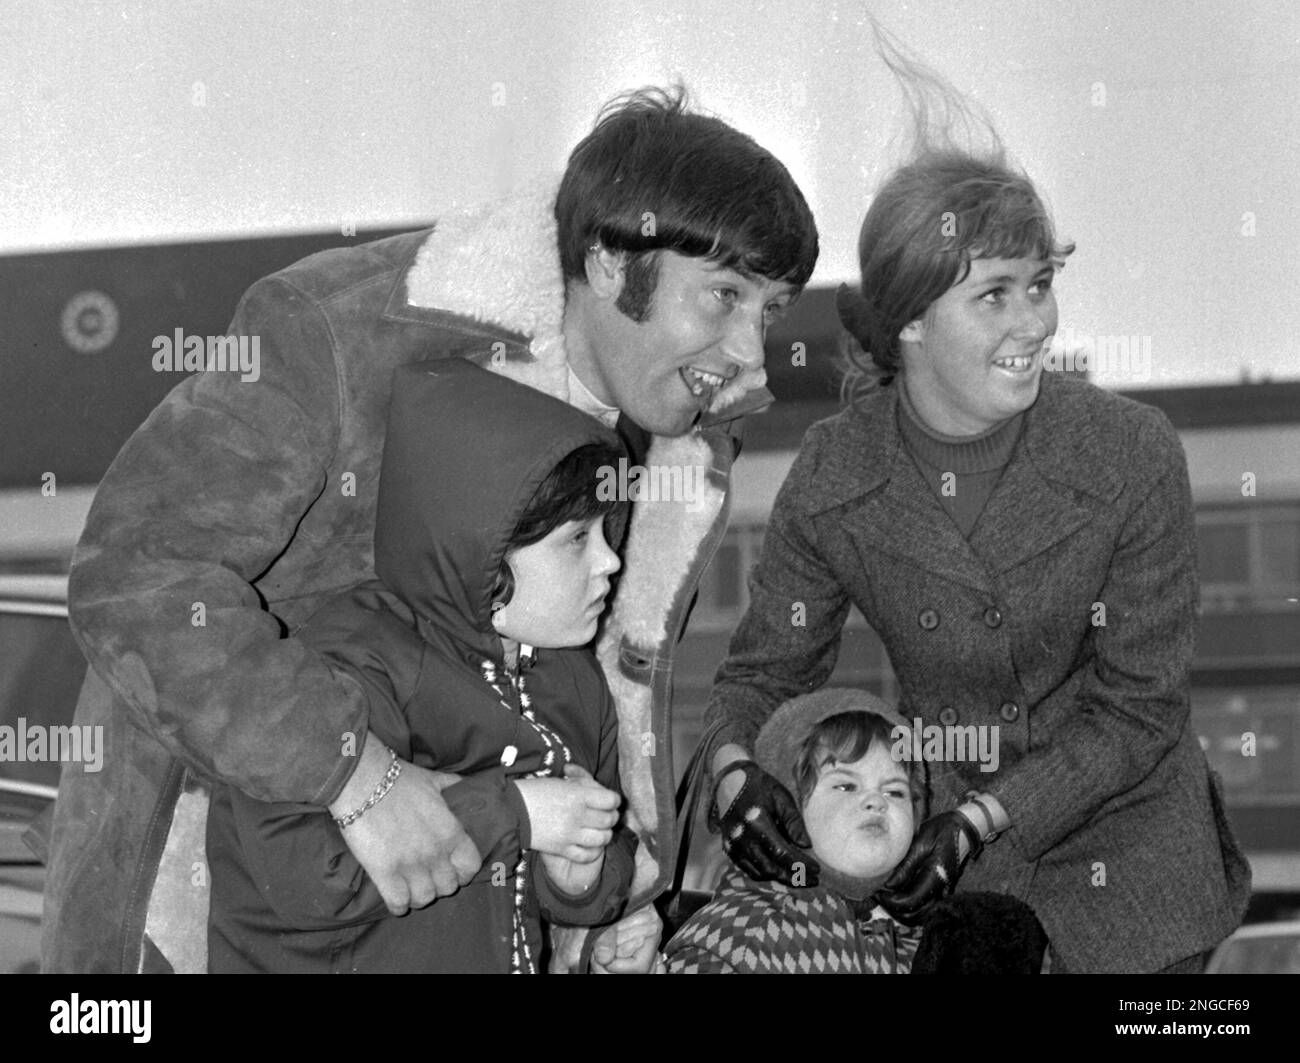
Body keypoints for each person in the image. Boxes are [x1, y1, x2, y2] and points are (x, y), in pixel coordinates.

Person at [42, 86, 819, 973]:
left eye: (771, 312)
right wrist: (353, 771)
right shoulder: (341, 329)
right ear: (610, 262)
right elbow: (137, 573)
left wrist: (600, 898)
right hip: (217, 909)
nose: (753, 356)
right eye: (723, 296)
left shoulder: (681, 418)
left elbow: (593, 695)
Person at [702, 114, 1251, 972]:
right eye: (995, 293)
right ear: (911, 322)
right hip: (957, 884)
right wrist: (735, 772)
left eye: (1041, 283)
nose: (1035, 322)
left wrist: (982, 817)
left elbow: (1139, 708)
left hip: (1137, 872)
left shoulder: (1133, 451)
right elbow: (763, 677)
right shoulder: (835, 470)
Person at [207, 361, 637, 973]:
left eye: (607, 531)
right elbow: (308, 877)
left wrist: (580, 878)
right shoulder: (350, 662)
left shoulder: (572, 679)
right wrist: (514, 815)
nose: (610, 561)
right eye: (577, 539)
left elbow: (587, 846)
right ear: (485, 551)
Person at [665, 688, 925, 974]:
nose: (876, 801)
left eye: (896, 792)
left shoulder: (924, 944)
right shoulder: (740, 937)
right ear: (783, 805)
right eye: (846, 786)